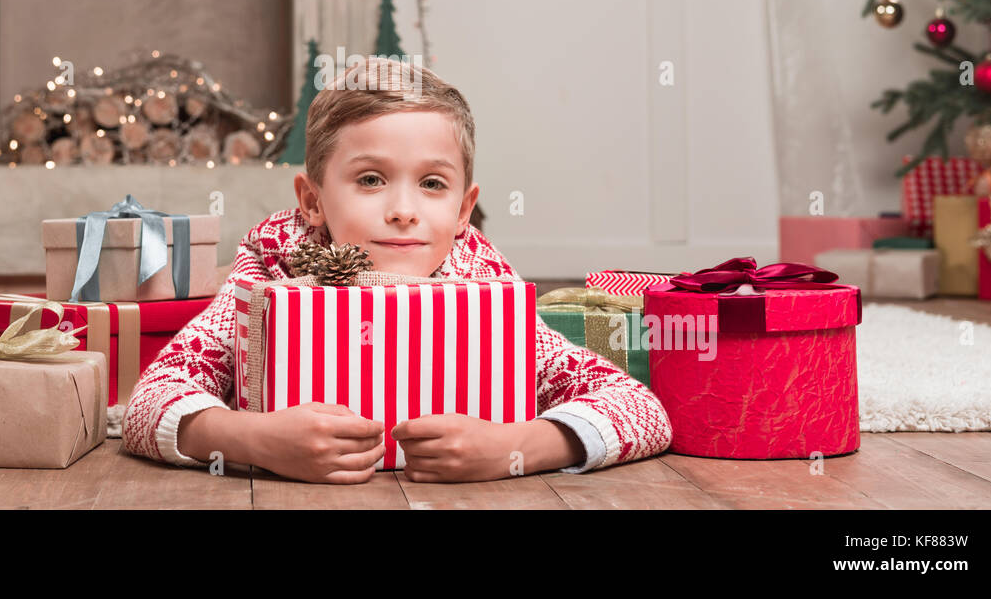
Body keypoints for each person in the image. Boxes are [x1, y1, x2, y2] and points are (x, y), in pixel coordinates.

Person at [121, 56, 672, 483]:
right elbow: (148, 401)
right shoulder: (266, 279)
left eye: (432, 183)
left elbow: (641, 410)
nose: (404, 210)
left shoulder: (483, 289)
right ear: (312, 202)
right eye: (370, 180)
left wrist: (517, 447)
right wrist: (252, 439)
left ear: (462, 209)